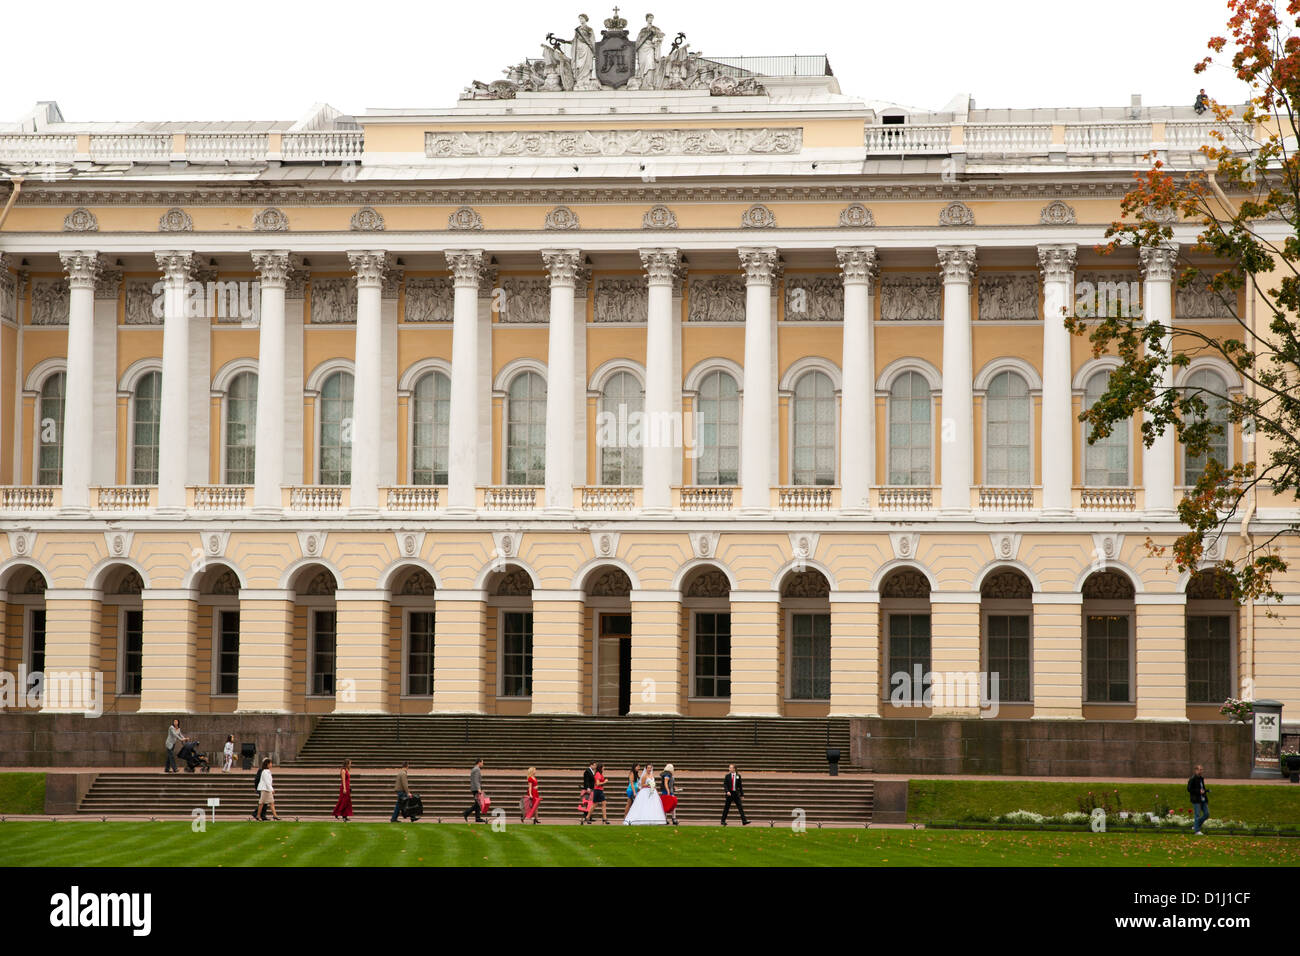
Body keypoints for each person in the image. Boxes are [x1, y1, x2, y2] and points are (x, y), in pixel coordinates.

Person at [1188, 763, 1210, 835]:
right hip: (1196, 799)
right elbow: (1189, 789)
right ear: (1196, 770)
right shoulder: (1192, 779)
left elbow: (1202, 788)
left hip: (1203, 799)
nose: (1201, 771)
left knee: (1206, 814)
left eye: (1202, 770)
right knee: (1197, 815)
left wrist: (1205, 791)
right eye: (1199, 770)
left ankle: (1196, 825)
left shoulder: (1201, 778)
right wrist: (1198, 791)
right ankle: (1197, 831)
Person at [463, 758, 485, 824]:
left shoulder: (474, 769)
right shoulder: (477, 769)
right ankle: (466, 813)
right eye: (482, 763)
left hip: (474, 788)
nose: (483, 764)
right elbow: (476, 780)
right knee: (478, 803)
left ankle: (477, 818)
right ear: (479, 762)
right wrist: (479, 789)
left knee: (477, 803)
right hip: (476, 789)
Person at [579, 760, 597, 824]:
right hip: (588, 789)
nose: (595, 766)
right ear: (591, 765)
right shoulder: (587, 771)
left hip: (592, 789)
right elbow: (586, 780)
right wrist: (588, 788)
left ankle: (589, 817)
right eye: (594, 765)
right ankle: (587, 817)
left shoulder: (592, 771)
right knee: (588, 803)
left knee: (590, 804)